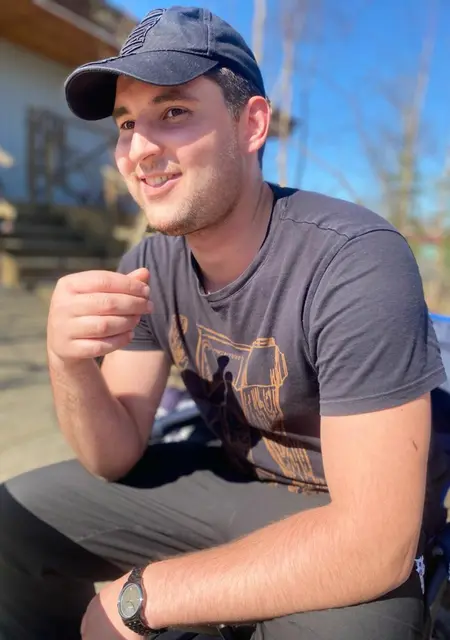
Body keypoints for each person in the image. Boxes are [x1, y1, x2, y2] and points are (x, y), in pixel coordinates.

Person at [1, 6, 449, 640]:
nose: (139, 149)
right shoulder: (151, 265)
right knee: (16, 520)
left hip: (343, 516)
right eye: (126, 123)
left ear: (252, 124)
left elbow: (374, 541)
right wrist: (68, 362)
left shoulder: (353, 260)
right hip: (233, 484)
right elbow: (114, 455)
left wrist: (144, 596)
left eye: (173, 113)